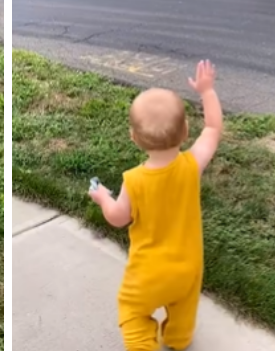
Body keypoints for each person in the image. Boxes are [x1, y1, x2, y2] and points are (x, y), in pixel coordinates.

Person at [88, 60, 224, 351]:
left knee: (132, 310)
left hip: (148, 273)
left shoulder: (134, 181)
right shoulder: (192, 165)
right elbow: (213, 128)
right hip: (188, 268)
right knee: (183, 309)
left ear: (134, 138)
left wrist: (102, 198)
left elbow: (117, 217)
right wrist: (207, 91)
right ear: (186, 131)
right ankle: (178, 339)